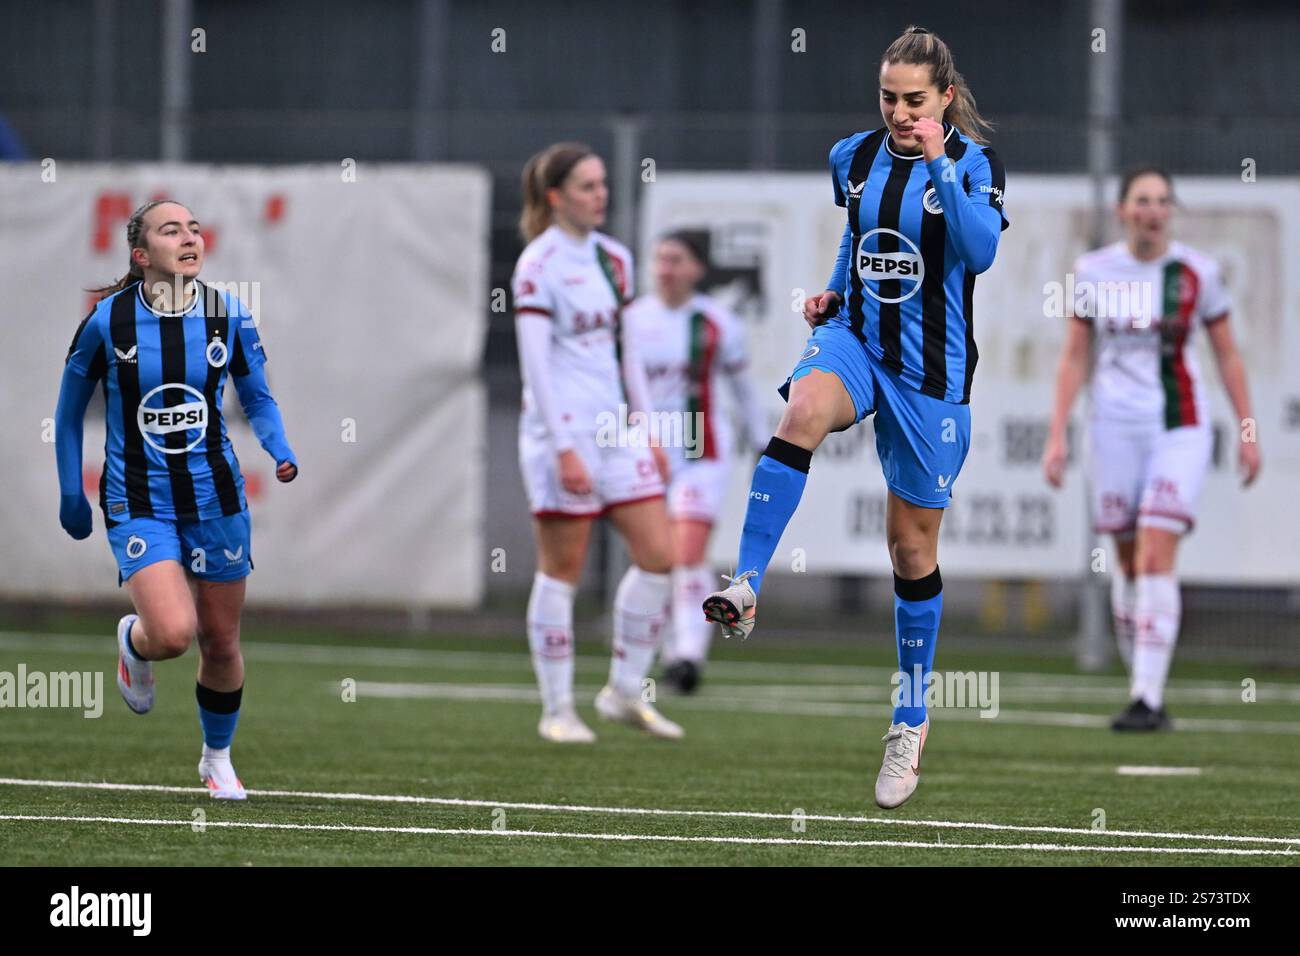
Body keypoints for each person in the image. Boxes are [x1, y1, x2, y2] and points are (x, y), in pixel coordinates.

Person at [703, 25, 1008, 809]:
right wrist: (833, 292)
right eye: (889, 98)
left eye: (914, 100)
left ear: (943, 95)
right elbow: (858, 235)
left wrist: (939, 156)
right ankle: (744, 583)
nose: (900, 113)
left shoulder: (973, 164)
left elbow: (978, 255)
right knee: (802, 408)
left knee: (910, 551)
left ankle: (910, 720)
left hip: (932, 381)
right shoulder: (853, 156)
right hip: (856, 344)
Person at [55, 199, 298, 799]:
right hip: (138, 500)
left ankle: (217, 759)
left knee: (220, 641)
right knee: (171, 635)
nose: (189, 236)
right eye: (172, 230)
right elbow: (66, 416)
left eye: (195, 227)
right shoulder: (105, 323)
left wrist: (279, 447)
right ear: (141, 256)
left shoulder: (227, 314)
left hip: (216, 499)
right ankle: (133, 643)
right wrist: (70, 492)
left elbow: (258, 397)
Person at [1042, 167, 1260, 731]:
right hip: (1112, 428)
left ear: (1172, 211)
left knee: (1156, 552)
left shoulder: (1197, 273)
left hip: (1178, 425)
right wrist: (1056, 434)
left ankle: (1148, 697)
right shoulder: (1092, 272)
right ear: (1122, 210)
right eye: (1143, 200)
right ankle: (1139, 676)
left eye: (1163, 201)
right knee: (1126, 559)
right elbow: (1073, 357)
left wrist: (1247, 429)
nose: (1154, 210)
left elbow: (1228, 355)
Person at [513, 142, 683, 743]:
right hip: (561, 432)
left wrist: (649, 425)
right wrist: (562, 446)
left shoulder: (615, 259)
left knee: (661, 556)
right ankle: (557, 709)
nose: (600, 194)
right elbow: (534, 366)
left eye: (603, 183)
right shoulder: (538, 265)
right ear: (556, 197)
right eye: (586, 186)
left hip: (616, 432)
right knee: (563, 569)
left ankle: (623, 691)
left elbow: (627, 350)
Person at [623, 232, 768, 693]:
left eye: (676, 259)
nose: (666, 268)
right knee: (657, 559)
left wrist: (765, 441)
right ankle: (663, 654)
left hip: (701, 452)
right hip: (645, 454)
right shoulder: (629, 321)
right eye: (660, 258)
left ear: (696, 269)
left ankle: (687, 658)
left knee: (687, 553)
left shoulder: (717, 323)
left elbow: (744, 390)